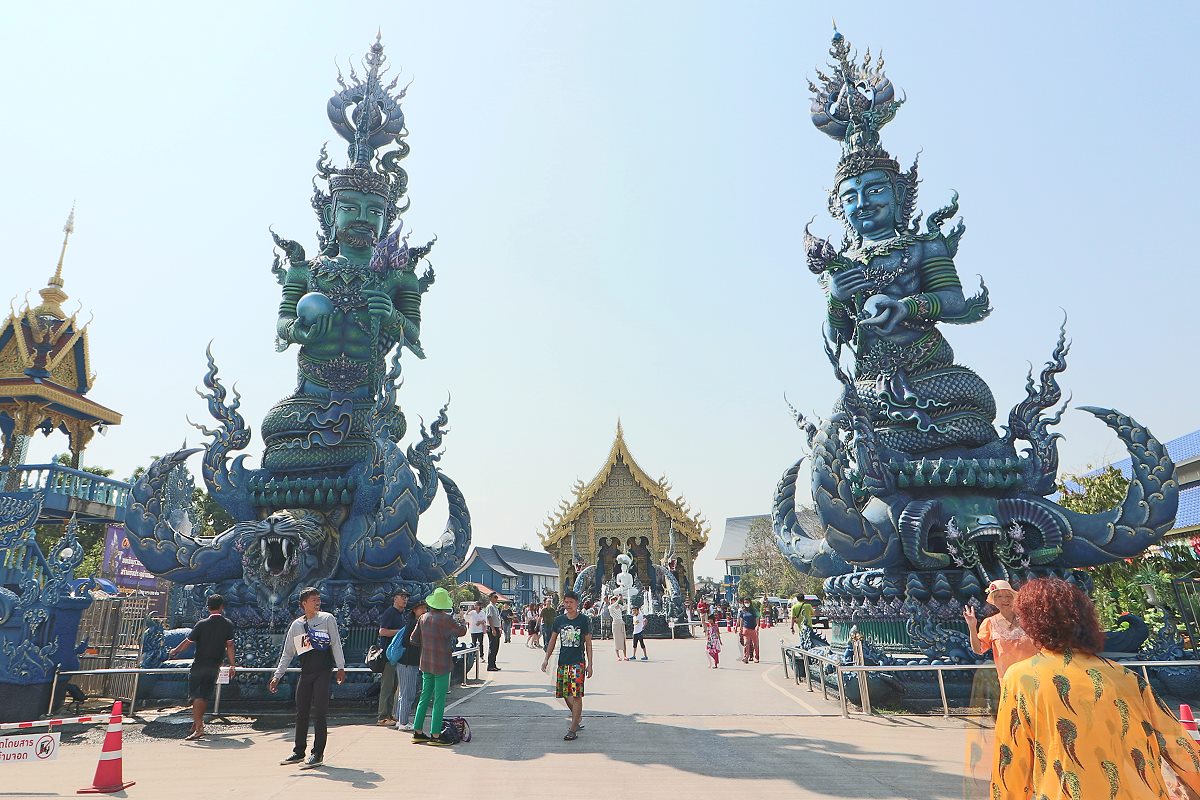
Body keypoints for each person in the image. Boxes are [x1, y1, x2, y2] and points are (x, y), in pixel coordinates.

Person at [990, 577, 1200, 799]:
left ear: (1032, 623)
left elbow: (1010, 762)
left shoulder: (1022, 678)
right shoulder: (1127, 677)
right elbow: (1179, 747)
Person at [270, 587, 346, 769]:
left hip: (323, 671)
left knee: (320, 712)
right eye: (313, 600)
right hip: (306, 672)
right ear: (304, 604)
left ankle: (317, 753)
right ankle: (298, 751)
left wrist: (341, 667)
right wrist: (277, 676)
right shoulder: (296, 625)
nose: (317, 602)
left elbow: (335, 643)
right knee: (301, 711)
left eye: (318, 599)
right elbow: (287, 653)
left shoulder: (327, 619)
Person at [168, 594, 235, 741]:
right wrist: (232, 665)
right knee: (204, 695)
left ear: (208, 607)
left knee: (196, 695)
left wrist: (175, 651)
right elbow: (229, 646)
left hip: (200, 664)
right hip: (215, 665)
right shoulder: (227, 624)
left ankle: (199, 728)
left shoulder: (201, 624)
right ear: (222, 607)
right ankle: (196, 723)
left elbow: (188, 642)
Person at [410, 587, 467, 746]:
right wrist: (461, 619)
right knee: (439, 700)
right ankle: (435, 735)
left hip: (426, 663)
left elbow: (413, 639)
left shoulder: (423, 618)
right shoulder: (446, 619)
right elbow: (461, 632)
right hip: (442, 664)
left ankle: (418, 732)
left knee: (424, 697)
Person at [540, 590, 593, 741]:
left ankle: (573, 729)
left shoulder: (584, 620)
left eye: (571, 602)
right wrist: (546, 659)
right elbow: (552, 640)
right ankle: (578, 716)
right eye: (566, 602)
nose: (568, 605)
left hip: (578, 662)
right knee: (564, 693)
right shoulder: (559, 621)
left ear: (577, 604)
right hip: (563, 662)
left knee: (576, 695)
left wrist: (590, 664)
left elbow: (588, 643)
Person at [963, 579, 1037, 682]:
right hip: (1008, 681)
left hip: (1034, 678)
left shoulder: (1029, 619)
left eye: (1008, 596)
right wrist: (972, 626)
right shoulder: (989, 623)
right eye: (999, 596)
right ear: (994, 600)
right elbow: (978, 650)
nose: (1004, 600)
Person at [375, 589, 409, 726]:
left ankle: (389, 714)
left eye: (406, 597)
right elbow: (382, 631)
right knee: (387, 686)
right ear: (395, 598)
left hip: (396, 656)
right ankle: (382, 716)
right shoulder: (390, 613)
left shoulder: (401, 614)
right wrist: (401, 632)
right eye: (402, 596)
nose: (405, 599)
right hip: (388, 655)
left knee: (394, 686)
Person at [393, 597, 425, 732]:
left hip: (405, 662)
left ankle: (401, 719)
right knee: (408, 693)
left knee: (404, 693)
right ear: (414, 610)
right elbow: (407, 642)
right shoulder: (414, 624)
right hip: (408, 662)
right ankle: (403, 722)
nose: (424, 610)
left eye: (425, 608)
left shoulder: (412, 622)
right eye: (421, 608)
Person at [484, 592, 503, 671]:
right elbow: (489, 617)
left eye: (496, 597)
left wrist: (499, 628)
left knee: (496, 647)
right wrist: (493, 629)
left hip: (496, 627)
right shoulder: (490, 607)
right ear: (491, 598)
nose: (496, 599)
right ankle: (490, 665)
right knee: (492, 647)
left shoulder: (495, 607)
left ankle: (493, 664)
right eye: (495, 597)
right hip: (492, 628)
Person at [738, 597, 760, 663]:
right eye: (745, 602)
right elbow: (741, 620)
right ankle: (746, 657)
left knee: (755, 644)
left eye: (747, 602)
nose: (746, 604)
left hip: (753, 629)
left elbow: (757, 618)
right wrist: (740, 628)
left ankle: (756, 657)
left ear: (750, 602)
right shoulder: (743, 611)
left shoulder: (754, 610)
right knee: (746, 643)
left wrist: (757, 626)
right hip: (746, 629)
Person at [607, 594, 627, 661]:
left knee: (623, 640)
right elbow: (614, 604)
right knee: (617, 640)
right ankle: (618, 656)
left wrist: (623, 600)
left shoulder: (619, 606)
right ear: (611, 601)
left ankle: (625, 656)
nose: (615, 600)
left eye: (615, 599)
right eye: (613, 599)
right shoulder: (610, 607)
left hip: (621, 622)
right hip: (615, 623)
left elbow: (625, 607)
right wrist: (619, 599)